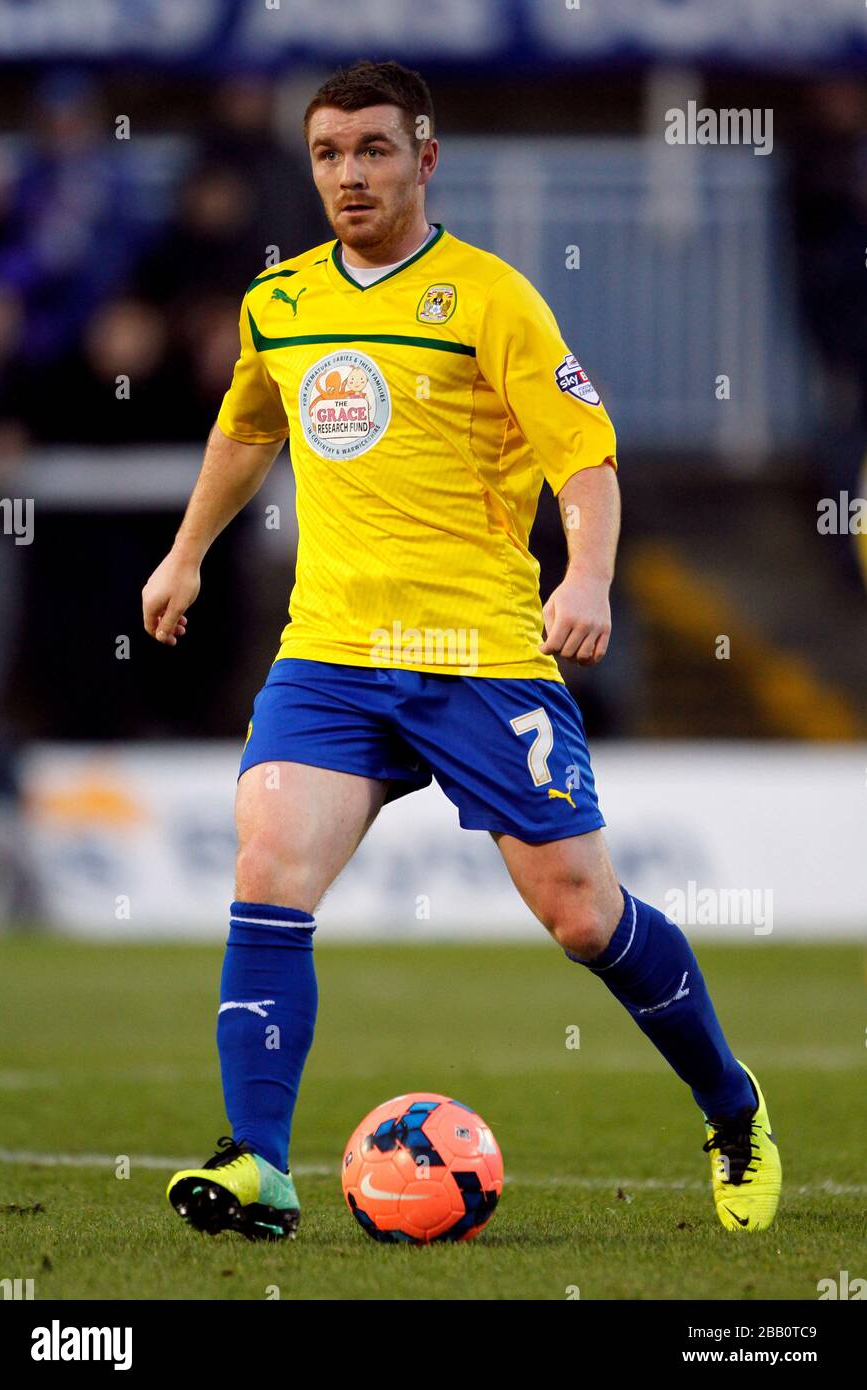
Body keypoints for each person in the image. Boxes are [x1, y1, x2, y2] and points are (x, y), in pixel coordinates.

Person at [142, 60, 780, 1243]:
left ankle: (732, 1107)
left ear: (425, 159)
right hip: (329, 651)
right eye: (330, 154)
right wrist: (185, 553)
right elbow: (247, 424)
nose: (350, 175)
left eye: (375, 150)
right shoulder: (278, 301)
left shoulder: (492, 298)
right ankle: (260, 1168)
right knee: (267, 872)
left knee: (583, 915)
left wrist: (584, 575)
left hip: (480, 652)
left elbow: (584, 452)